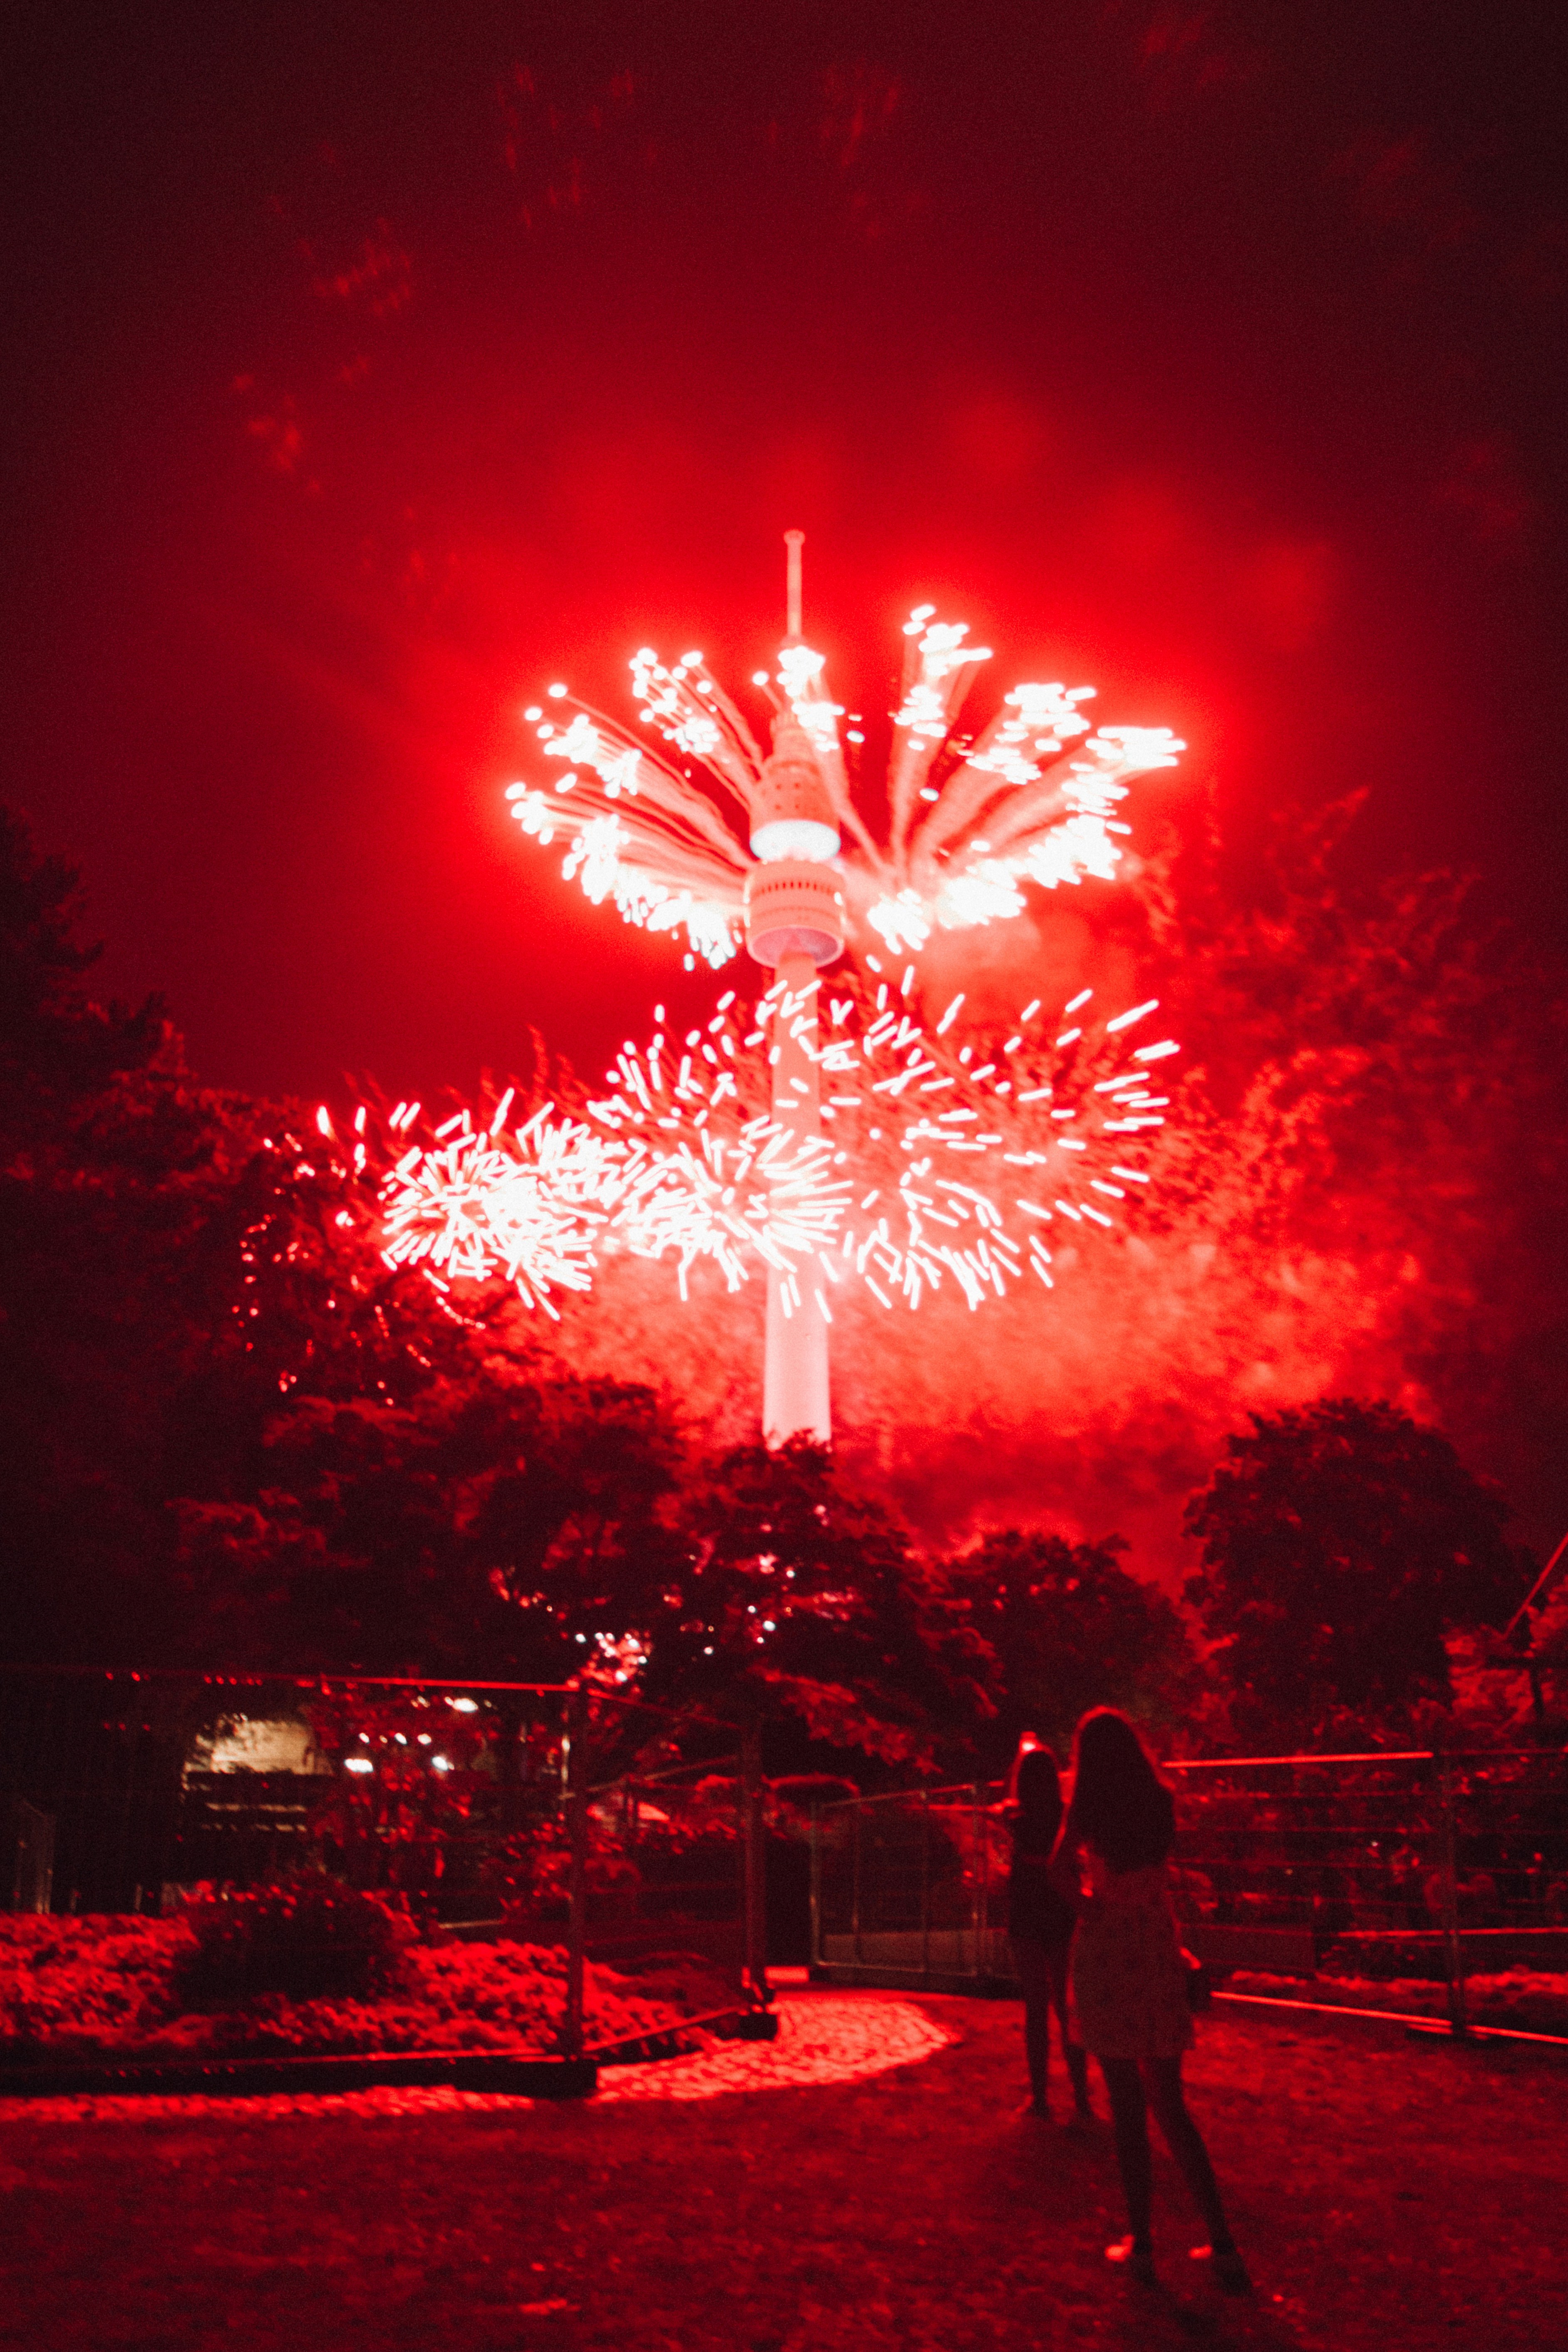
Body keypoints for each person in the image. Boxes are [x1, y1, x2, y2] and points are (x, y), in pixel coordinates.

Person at [1050, 1708, 1249, 2294]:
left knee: (1127, 2106)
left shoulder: (1088, 1806)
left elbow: (1059, 1871)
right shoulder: (1158, 1802)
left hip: (1110, 1947)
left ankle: (1143, 2241)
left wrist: (1091, 1905)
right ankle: (1223, 2239)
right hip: (1155, 1943)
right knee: (1172, 2104)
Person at [1004, 1742, 1092, 2124]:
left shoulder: (1016, 1816)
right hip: (1059, 1906)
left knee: (1036, 2007)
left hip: (1026, 1905)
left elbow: (1007, 1814)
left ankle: (1040, 2097)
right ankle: (1082, 2098)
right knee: (1066, 2006)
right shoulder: (1066, 1814)